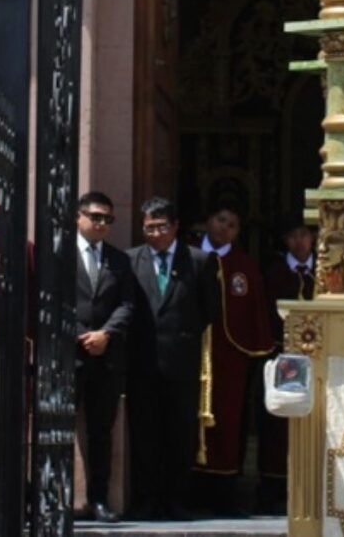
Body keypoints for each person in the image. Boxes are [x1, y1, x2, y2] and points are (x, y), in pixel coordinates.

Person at [126, 197, 216, 521]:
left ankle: (177, 500)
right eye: (149, 227)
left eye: (161, 226)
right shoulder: (131, 259)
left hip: (181, 361)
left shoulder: (199, 261)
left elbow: (209, 311)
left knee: (180, 435)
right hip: (143, 361)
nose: (155, 234)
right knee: (145, 434)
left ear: (175, 226)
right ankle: (147, 499)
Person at [192, 204, 273, 506]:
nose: (225, 228)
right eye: (220, 220)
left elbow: (255, 313)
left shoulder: (245, 266)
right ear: (208, 221)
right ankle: (187, 485)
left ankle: (224, 486)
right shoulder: (188, 257)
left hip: (230, 356)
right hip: (192, 351)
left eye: (233, 224)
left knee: (229, 417)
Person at [75, 191, 135, 524]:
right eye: (95, 216)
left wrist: (105, 334)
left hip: (106, 357)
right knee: (53, 428)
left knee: (101, 432)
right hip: (68, 357)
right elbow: (48, 300)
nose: (101, 224)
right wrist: (80, 334)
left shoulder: (118, 260)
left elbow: (127, 304)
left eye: (107, 219)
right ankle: (51, 496)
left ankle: (98, 499)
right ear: (78, 217)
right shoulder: (58, 254)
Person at [257, 220, 316, 514]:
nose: (300, 241)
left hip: (319, 358)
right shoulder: (274, 273)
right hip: (283, 356)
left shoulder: (328, 272)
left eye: (304, 234)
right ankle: (273, 486)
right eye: (293, 235)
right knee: (277, 424)